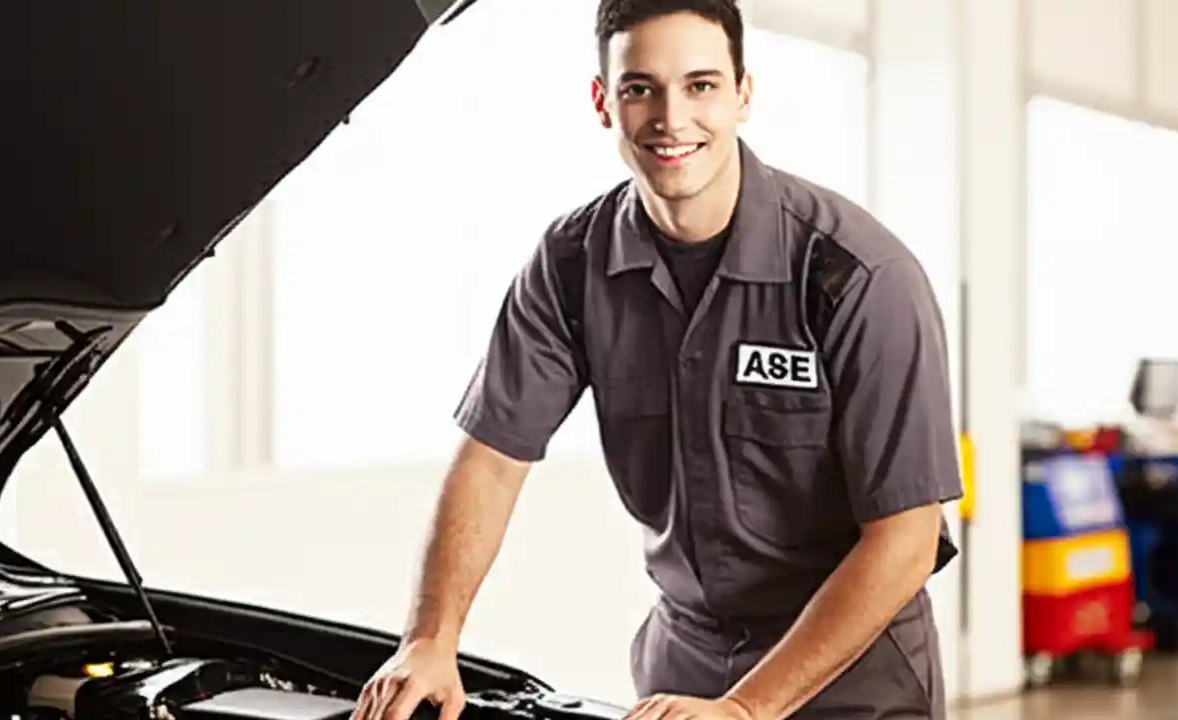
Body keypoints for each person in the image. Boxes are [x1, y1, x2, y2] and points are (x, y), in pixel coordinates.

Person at [352, 1, 963, 718]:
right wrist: (431, 638)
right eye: (640, 88)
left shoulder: (856, 276)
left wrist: (743, 711)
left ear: (744, 94)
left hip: (852, 678)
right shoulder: (573, 264)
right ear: (602, 102)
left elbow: (905, 541)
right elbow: (491, 459)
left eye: (701, 85)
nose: (672, 119)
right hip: (684, 665)